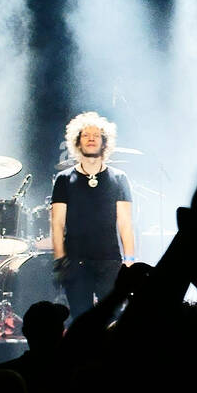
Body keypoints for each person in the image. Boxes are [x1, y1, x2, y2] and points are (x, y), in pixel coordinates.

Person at [51, 111, 136, 316]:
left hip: (110, 262)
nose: (91, 139)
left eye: (96, 135)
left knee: (114, 318)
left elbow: (125, 223)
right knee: (81, 320)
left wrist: (130, 260)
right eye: (86, 135)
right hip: (75, 261)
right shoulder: (64, 179)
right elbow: (57, 223)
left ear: (104, 142)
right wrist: (60, 260)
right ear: (77, 142)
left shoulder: (119, 178)